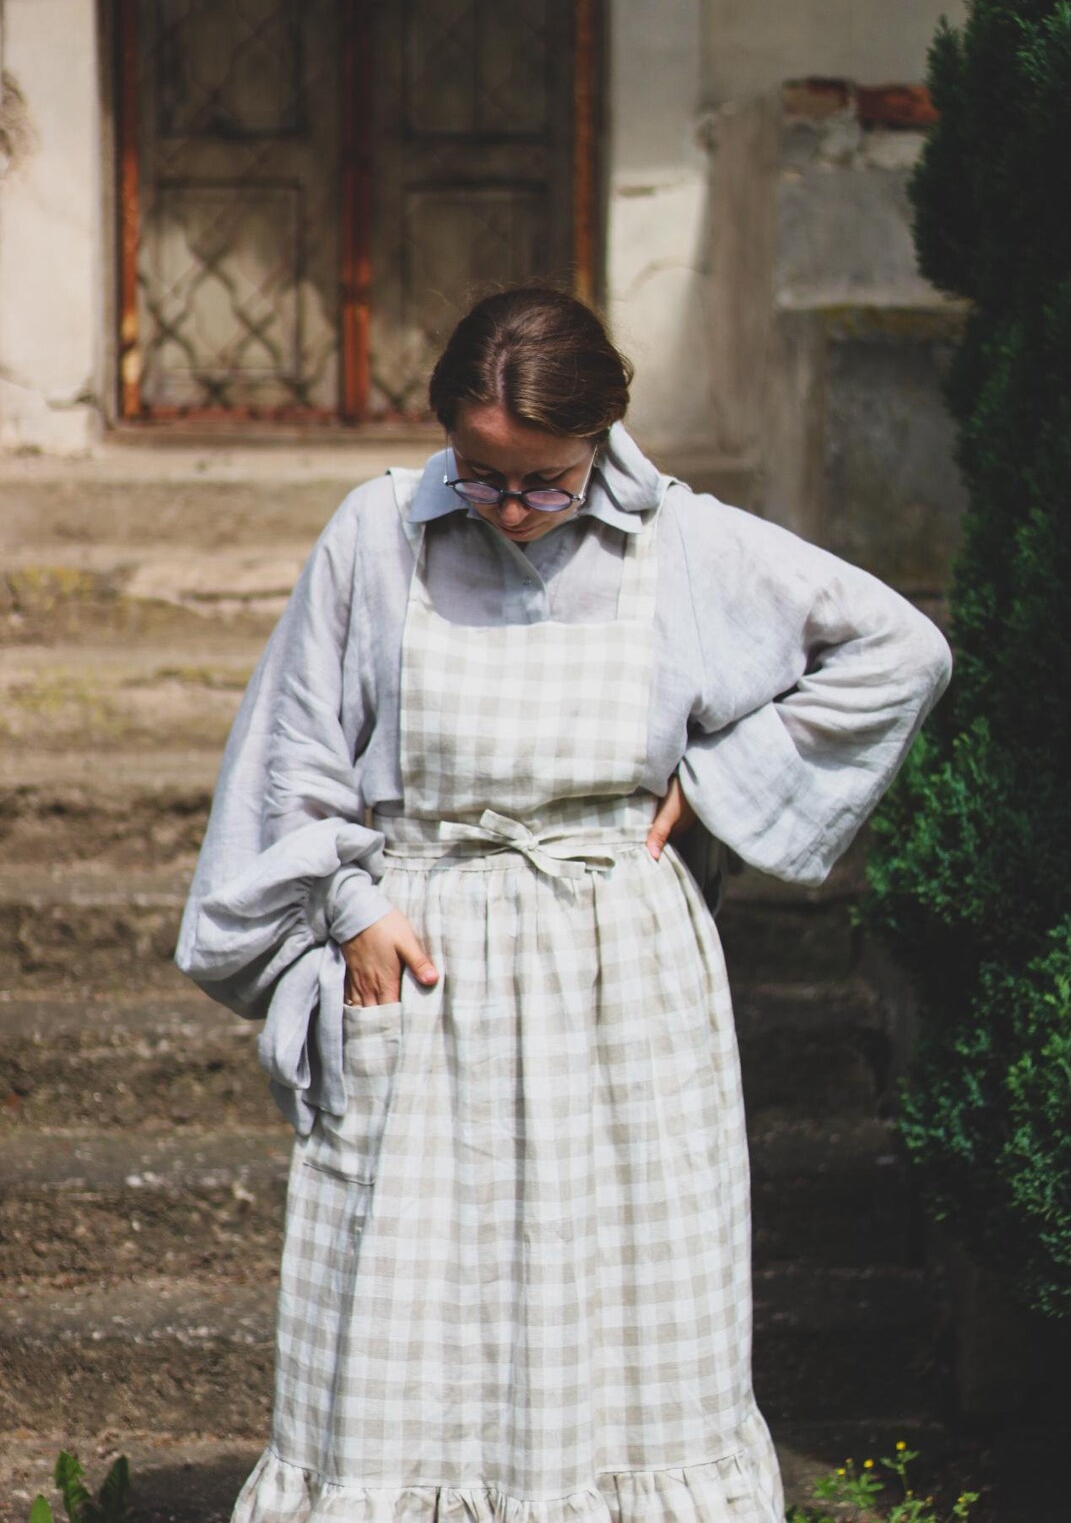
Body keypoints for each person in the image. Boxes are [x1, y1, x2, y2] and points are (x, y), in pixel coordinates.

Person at [175, 286, 952, 1523]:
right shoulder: (376, 536)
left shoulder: (685, 546)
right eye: (484, 477)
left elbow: (898, 648)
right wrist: (350, 904)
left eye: (548, 482)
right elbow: (298, 751)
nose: (517, 512)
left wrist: (719, 781)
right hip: (425, 966)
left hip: (620, 970)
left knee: (628, 1295)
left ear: (604, 439)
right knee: (411, 1304)